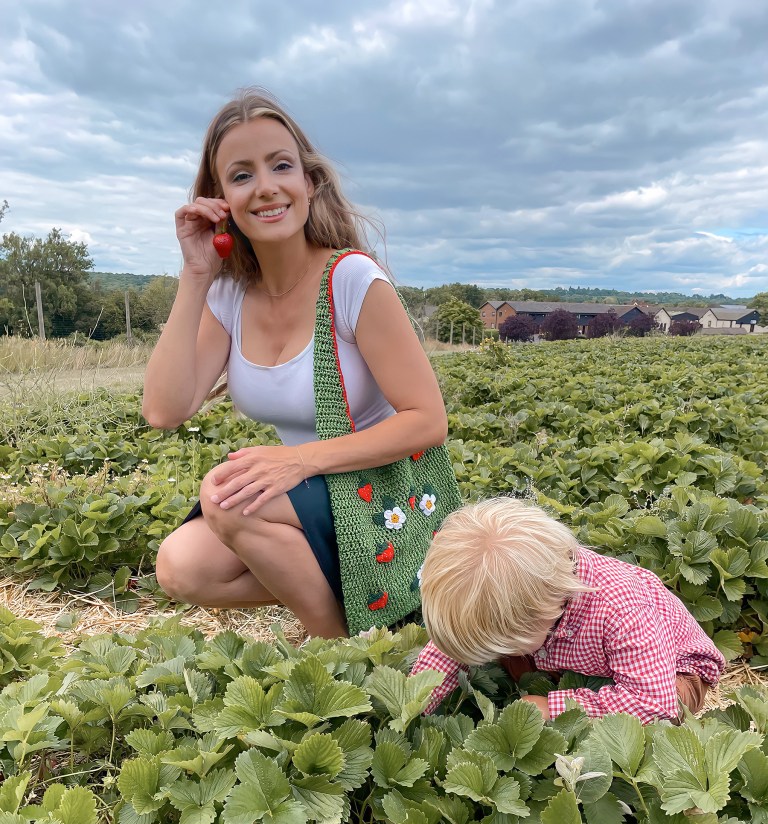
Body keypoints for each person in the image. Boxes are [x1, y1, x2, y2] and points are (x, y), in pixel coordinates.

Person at [142, 88, 449, 638]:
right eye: (241, 176)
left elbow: (428, 421)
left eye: (280, 165)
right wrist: (194, 277)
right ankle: (357, 596)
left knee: (228, 499)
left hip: (385, 495)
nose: (265, 187)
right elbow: (165, 410)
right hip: (306, 493)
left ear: (309, 182)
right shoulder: (231, 296)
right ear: (221, 201)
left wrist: (301, 461)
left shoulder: (353, 280)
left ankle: (333, 643)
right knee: (182, 566)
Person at [411, 497, 724, 723]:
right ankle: (556, 678)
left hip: (672, 675)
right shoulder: (530, 596)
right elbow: (448, 651)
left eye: (506, 642)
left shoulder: (620, 609)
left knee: (664, 715)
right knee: (487, 638)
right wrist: (414, 700)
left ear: (542, 613)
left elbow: (655, 705)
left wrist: (555, 708)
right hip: (571, 654)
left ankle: (576, 695)